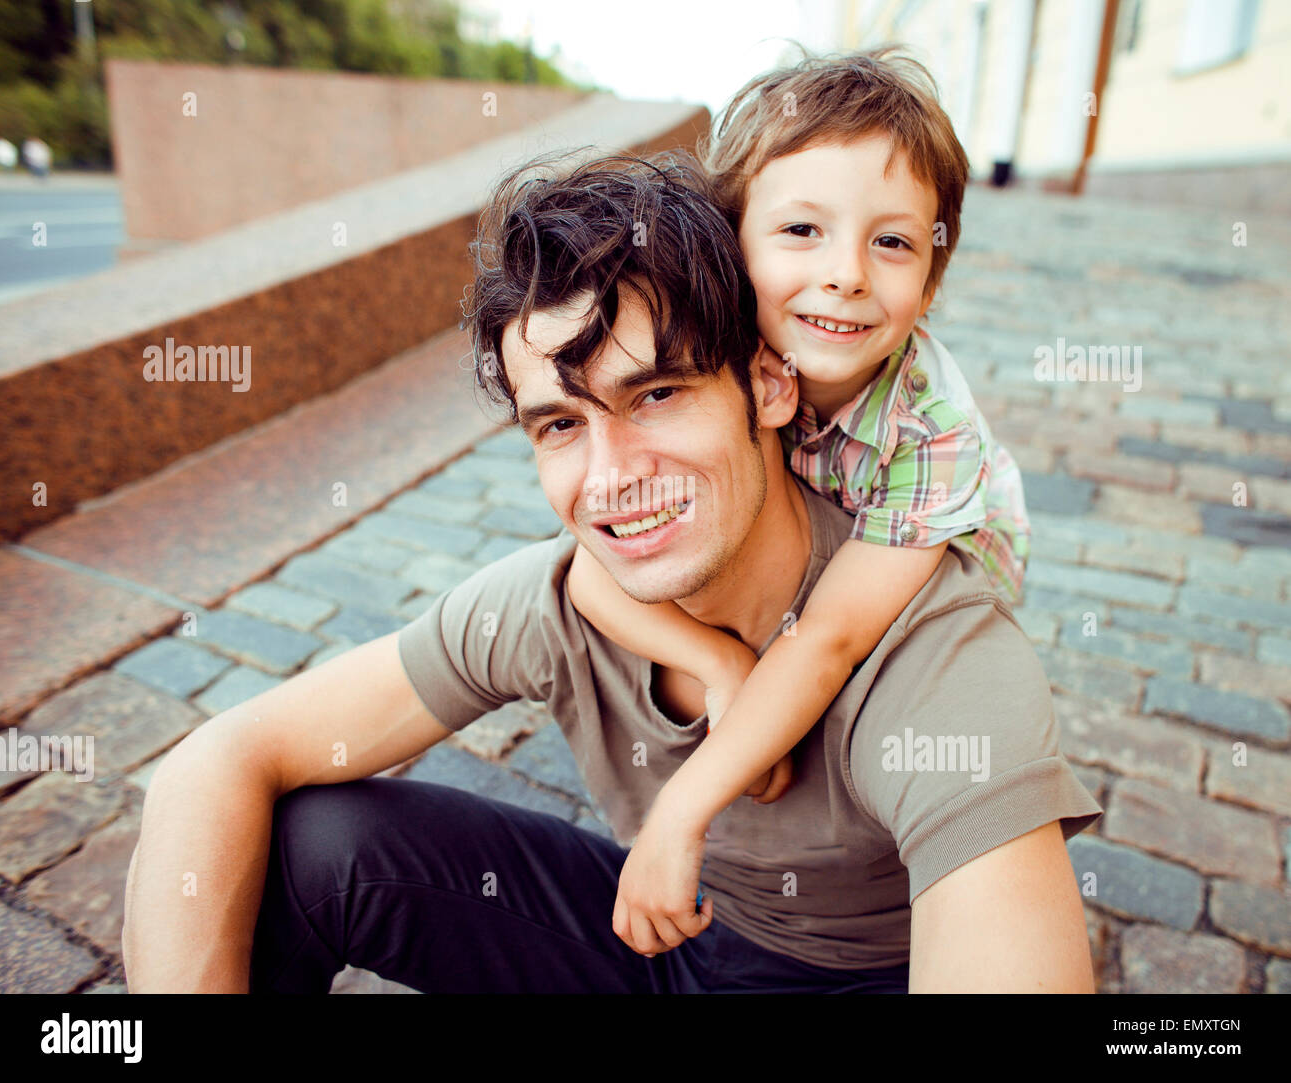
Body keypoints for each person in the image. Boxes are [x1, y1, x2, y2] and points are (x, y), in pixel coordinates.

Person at [122, 149, 1101, 995]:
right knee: (318, 848)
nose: (611, 477)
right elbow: (223, 757)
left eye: (657, 393)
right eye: (561, 423)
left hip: (850, 978)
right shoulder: (559, 601)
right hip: (666, 943)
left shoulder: (934, 657)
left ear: (768, 383)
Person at [563, 48, 1034, 945]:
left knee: (859, 687)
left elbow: (831, 638)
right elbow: (588, 572)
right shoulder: (716, 355)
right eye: (802, 230)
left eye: (892, 242)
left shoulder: (932, 434)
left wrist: (680, 812)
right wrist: (718, 664)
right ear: (732, 245)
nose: (848, 273)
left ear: (930, 281)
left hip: (921, 570)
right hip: (800, 554)